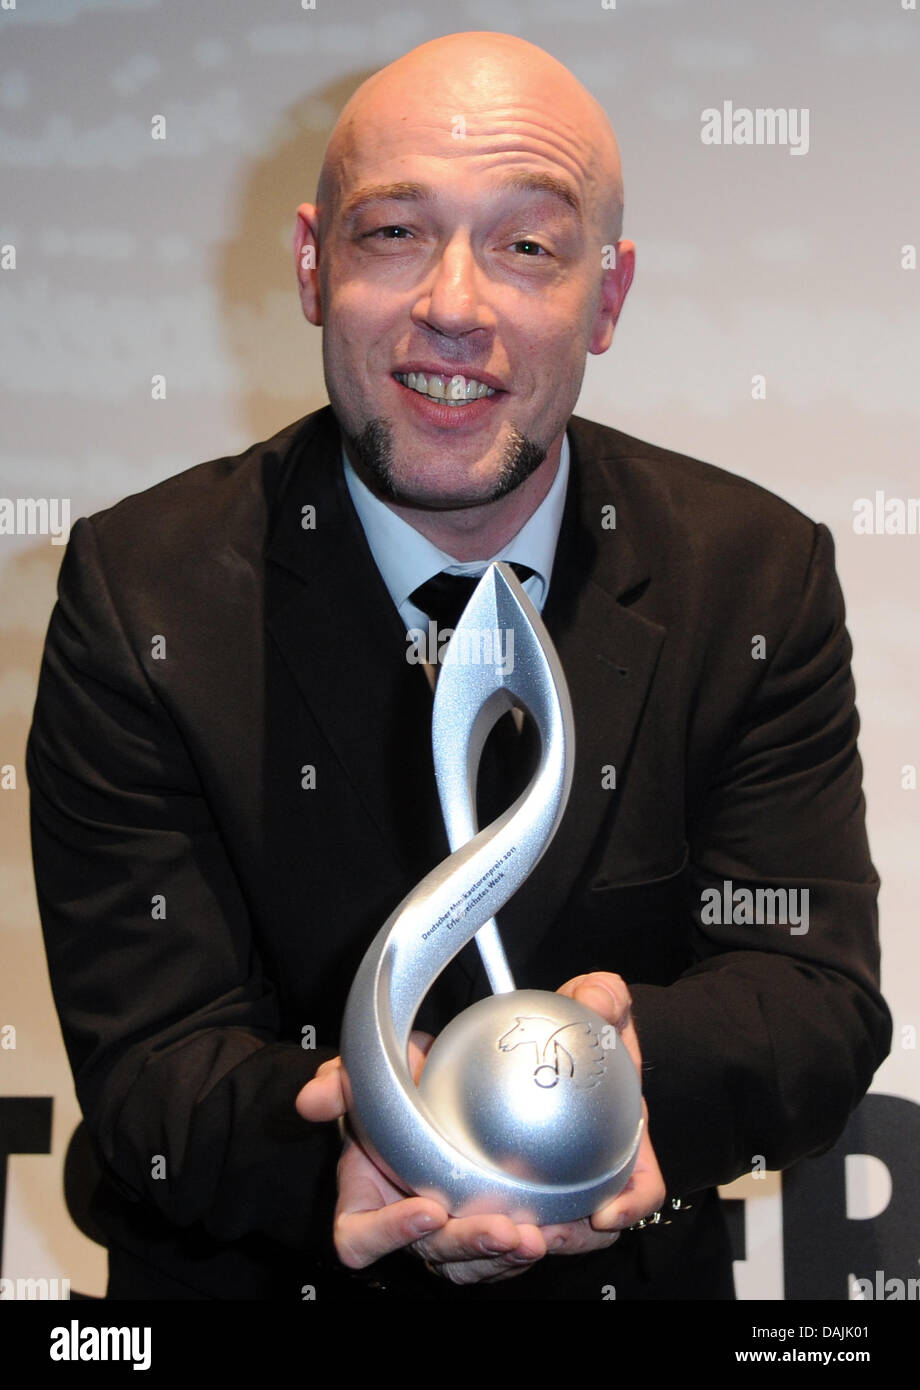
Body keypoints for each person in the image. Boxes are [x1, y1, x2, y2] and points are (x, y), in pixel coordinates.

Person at [26, 33, 890, 1301]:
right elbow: (152, 1054)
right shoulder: (139, 589)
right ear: (315, 266)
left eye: (526, 245)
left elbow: (812, 991)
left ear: (606, 295)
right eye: (393, 235)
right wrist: (369, 1134)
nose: (453, 303)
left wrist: (618, 1081)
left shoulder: (751, 574)